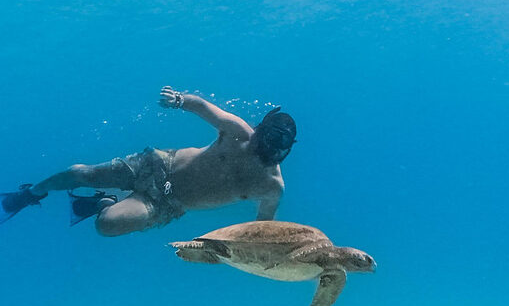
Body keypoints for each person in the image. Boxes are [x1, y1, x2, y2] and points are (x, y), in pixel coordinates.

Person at [0, 88, 297, 236]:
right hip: (157, 165)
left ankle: (105, 202)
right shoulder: (238, 131)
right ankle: (30, 193)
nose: (259, 150)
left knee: (107, 226)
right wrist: (178, 99)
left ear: (282, 153)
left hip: (168, 202)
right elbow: (203, 106)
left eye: (270, 151)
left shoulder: (271, 187)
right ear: (259, 130)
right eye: (260, 142)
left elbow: (262, 228)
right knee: (79, 173)